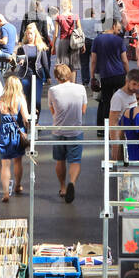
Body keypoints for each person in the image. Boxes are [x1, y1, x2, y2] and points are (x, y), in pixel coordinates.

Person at [48, 63, 87, 203]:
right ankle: (72, 183)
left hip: (58, 130)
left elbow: (52, 110)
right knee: (75, 161)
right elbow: (83, 110)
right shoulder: (81, 88)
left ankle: (63, 187)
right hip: (75, 130)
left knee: (60, 160)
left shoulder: (52, 90)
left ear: (56, 76)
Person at [0, 75, 32, 202]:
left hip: (3, 134)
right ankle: (17, 185)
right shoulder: (20, 99)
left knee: (5, 164)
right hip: (16, 134)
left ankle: (5, 193)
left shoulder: (0, 100)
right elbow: (25, 118)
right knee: (17, 161)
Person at [90, 18, 129, 130]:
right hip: (119, 75)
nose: (119, 29)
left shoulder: (97, 40)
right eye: (118, 26)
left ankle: (106, 129)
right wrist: (128, 74)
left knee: (106, 102)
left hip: (105, 76)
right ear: (112, 26)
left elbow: (93, 61)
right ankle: (118, 127)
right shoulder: (119, 41)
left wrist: (92, 76)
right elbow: (125, 61)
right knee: (120, 101)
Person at [108, 69, 139, 159]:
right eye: (134, 84)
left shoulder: (132, 94)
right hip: (121, 137)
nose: (136, 88)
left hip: (130, 136)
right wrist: (115, 145)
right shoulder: (118, 97)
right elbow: (113, 121)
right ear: (127, 81)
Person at [15, 22, 51, 108]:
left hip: (37, 75)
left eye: (31, 33)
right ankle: (26, 119)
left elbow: (45, 63)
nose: (29, 36)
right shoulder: (22, 47)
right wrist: (20, 61)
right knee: (25, 99)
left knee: (37, 100)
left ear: (35, 34)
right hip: (25, 75)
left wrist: (48, 76)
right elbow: (19, 61)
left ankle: (36, 119)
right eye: (27, 34)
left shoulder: (40, 47)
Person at [54, 0, 82, 73]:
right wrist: (83, 44)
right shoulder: (75, 16)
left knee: (63, 64)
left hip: (63, 42)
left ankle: (65, 81)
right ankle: (72, 83)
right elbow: (80, 31)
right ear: (70, 5)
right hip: (74, 42)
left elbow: (56, 34)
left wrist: (53, 46)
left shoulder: (58, 17)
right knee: (73, 65)